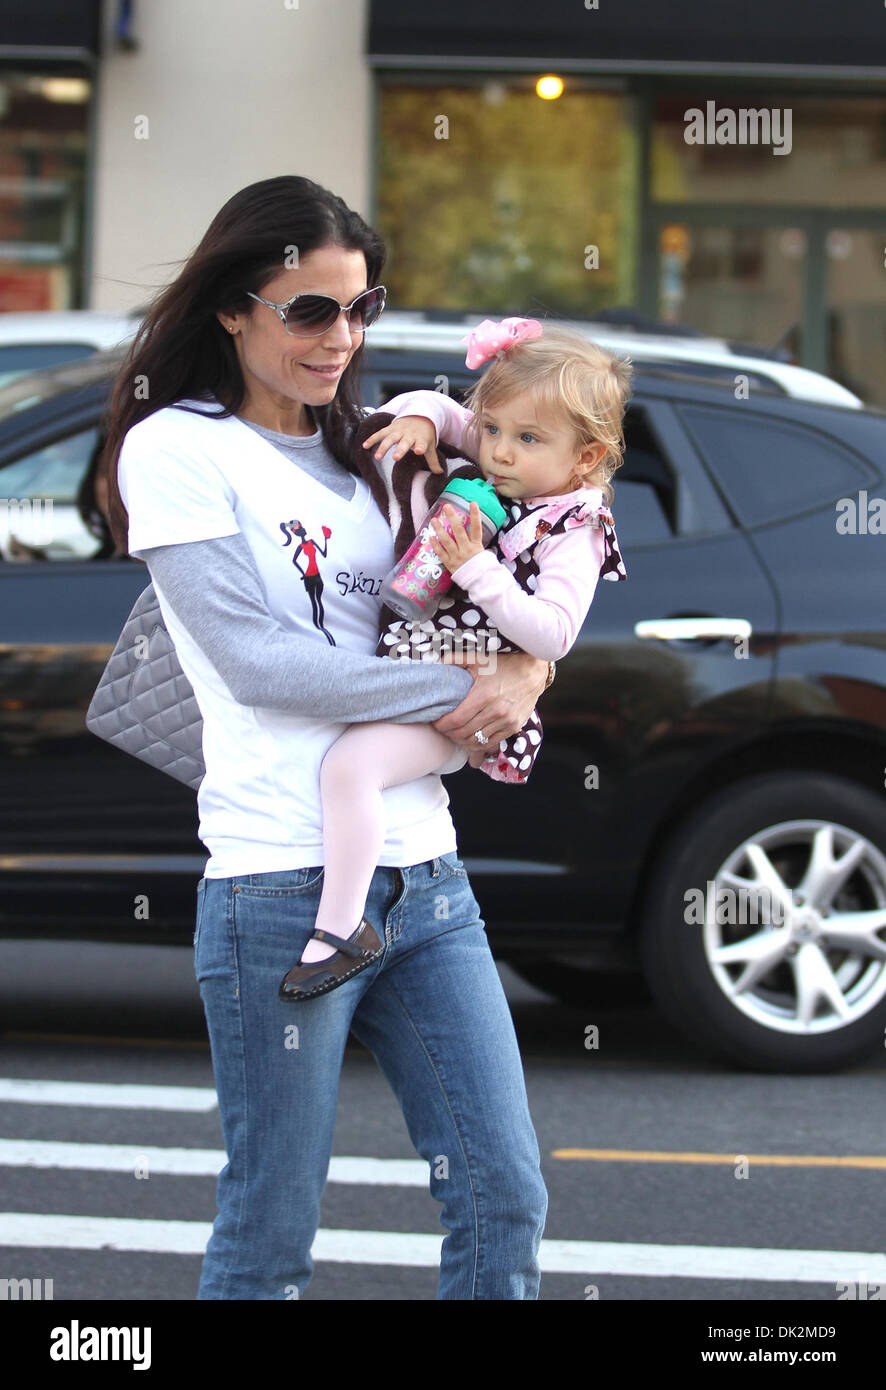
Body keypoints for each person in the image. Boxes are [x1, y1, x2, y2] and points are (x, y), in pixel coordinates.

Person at [96, 174, 550, 1300]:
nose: (339, 337)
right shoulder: (178, 449)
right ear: (233, 309)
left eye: (359, 309)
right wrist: (458, 693)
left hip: (428, 879)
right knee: (272, 1229)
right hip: (278, 887)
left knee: (503, 1193)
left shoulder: (373, 447)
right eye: (309, 311)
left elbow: (510, 563)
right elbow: (260, 663)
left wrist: (528, 662)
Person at [285, 319, 631, 999]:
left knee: (350, 769)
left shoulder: (576, 530)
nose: (496, 451)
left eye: (527, 439)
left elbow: (554, 635)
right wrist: (418, 416)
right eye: (493, 429)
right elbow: (449, 413)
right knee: (349, 766)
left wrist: (475, 568)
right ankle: (354, 913)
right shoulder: (507, 460)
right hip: (426, 673)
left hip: (467, 700)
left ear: (586, 457)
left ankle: (341, 929)